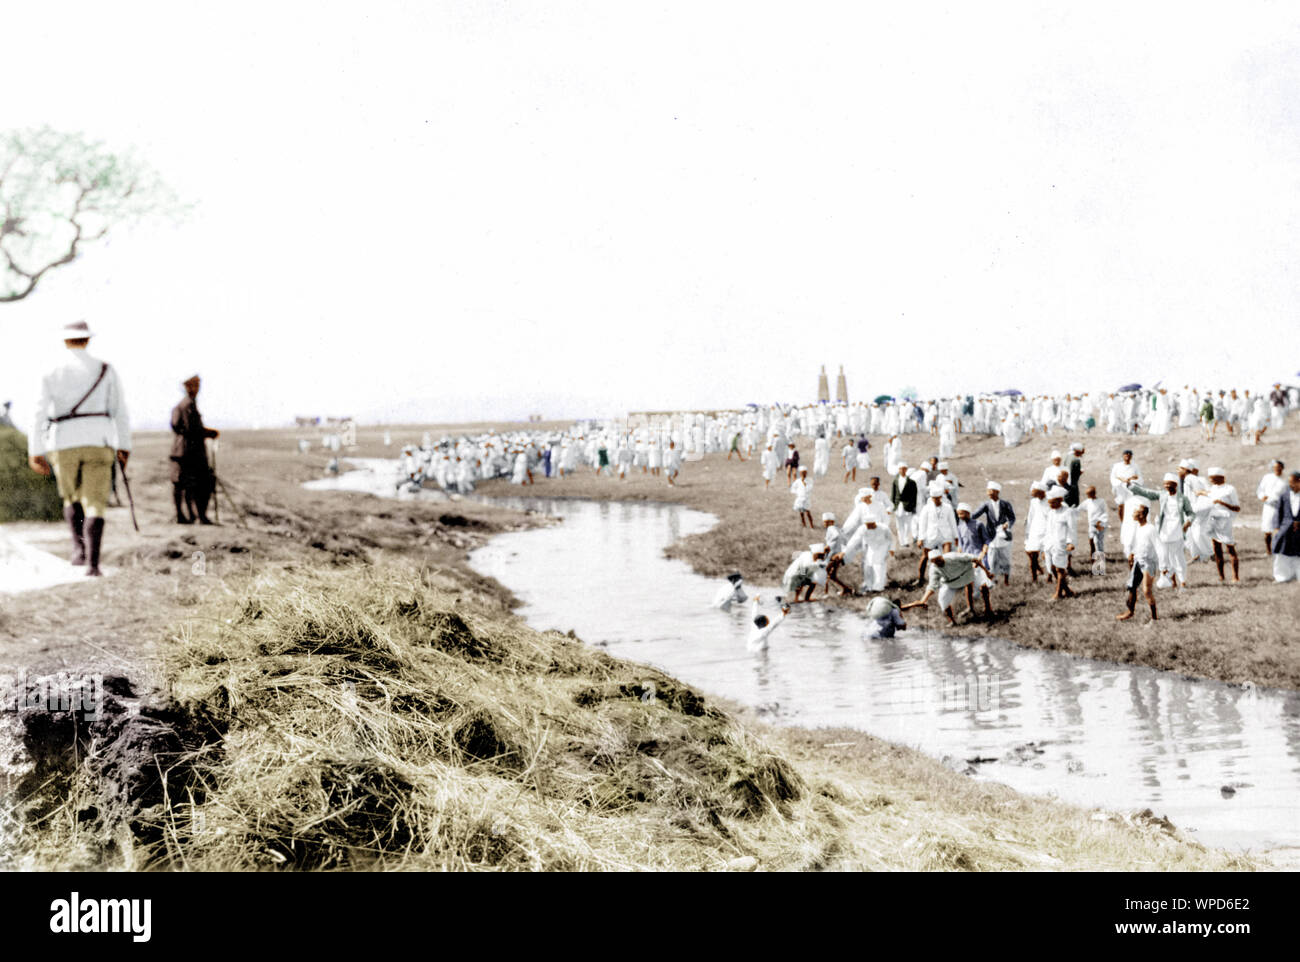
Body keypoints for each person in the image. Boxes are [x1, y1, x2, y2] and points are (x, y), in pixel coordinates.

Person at [27, 320, 132, 577]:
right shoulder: (106, 369)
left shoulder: (51, 370)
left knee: (71, 497)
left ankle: (78, 551)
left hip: (63, 442)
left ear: (65, 340)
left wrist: (35, 450)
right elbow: (121, 411)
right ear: (88, 339)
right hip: (100, 441)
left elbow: (38, 412)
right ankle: (93, 565)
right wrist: (124, 446)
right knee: (95, 503)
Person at [1126, 473, 1193, 589]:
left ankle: (1183, 582)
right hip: (1164, 532)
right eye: (1165, 484)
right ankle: (1172, 581)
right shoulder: (1163, 495)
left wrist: (1188, 522)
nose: (1166, 486)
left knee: (1178, 557)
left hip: (1177, 532)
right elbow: (1147, 493)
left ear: (1175, 485)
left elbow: (1191, 513)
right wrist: (1130, 486)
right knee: (1165, 557)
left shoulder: (1182, 498)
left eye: (1169, 484)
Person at [169, 375, 221, 524]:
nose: (197, 389)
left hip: (183, 451)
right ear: (187, 387)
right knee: (196, 483)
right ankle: (193, 516)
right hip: (189, 452)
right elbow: (192, 429)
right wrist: (210, 433)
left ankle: (190, 515)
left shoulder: (185, 404)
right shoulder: (187, 405)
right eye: (194, 386)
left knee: (186, 484)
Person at [901, 550, 993, 625]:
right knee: (943, 601)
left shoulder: (952, 557)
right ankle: (952, 622)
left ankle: (988, 611)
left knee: (984, 585)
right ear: (932, 562)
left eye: (939, 559)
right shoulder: (934, 569)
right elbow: (932, 586)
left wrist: (986, 572)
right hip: (951, 583)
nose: (938, 562)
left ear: (941, 556)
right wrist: (923, 600)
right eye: (935, 561)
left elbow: (974, 558)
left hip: (968, 574)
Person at [1117, 504, 1159, 623]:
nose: (1133, 514)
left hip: (1148, 563)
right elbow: (1140, 544)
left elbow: (1159, 546)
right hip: (1138, 561)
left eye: (1136, 512)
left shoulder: (1150, 529)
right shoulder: (1138, 527)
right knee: (1131, 586)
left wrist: (1164, 565)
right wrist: (1133, 553)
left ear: (1142, 515)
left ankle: (1154, 619)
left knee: (1147, 590)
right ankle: (1130, 611)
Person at [970, 482, 1015, 584]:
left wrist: (1007, 524)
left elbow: (1012, 518)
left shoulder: (1005, 504)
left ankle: (1006, 580)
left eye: (991, 491)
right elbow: (976, 514)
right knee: (991, 558)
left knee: (1005, 558)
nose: (989, 493)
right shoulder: (986, 505)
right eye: (988, 490)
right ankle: (991, 580)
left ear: (997, 492)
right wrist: (966, 518)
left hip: (1003, 535)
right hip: (991, 535)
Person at [1205, 467, 1241, 583]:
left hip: (1225, 522)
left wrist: (1222, 503)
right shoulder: (1212, 489)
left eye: (1212, 478)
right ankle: (1221, 577)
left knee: (1230, 547)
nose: (1210, 480)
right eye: (1210, 478)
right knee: (1217, 549)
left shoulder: (1230, 489)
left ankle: (1235, 577)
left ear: (1220, 477)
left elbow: (1237, 508)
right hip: (1213, 520)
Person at [1043, 487, 1076, 600]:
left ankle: (1058, 594)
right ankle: (1067, 590)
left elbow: (1072, 529)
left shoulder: (1067, 512)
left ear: (1059, 500)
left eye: (1053, 502)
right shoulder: (1051, 513)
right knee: (1052, 568)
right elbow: (1047, 530)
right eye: (1049, 503)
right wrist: (1044, 547)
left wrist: (1070, 542)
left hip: (1061, 544)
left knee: (1060, 568)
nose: (1050, 505)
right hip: (1049, 544)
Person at [1270, 471, 1300, 582]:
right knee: (1282, 554)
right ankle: (1281, 577)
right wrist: (1277, 528)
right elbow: (1278, 512)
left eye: (1292, 482)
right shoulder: (1285, 496)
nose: (1290, 485)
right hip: (1285, 530)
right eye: (1289, 482)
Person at [1257, 460, 1288, 557]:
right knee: (1267, 530)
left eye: (1279, 468)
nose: (1277, 470)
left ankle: (1280, 550)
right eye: (1275, 468)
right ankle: (1268, 550)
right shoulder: (1267, 478)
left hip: (1281, 507)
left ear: (1282, 468)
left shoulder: (1286, 479)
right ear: (1272, 468)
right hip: (1268, 506)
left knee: (1281, 529)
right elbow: (1260, 490)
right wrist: (1262, 496)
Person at [1023, 481, 1049, 583]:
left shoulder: (1049, 501)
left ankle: (1050, 576)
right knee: (1031, 554)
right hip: (1035, 530)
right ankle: (1034, 577)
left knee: (1047, 555)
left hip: (1047, 531)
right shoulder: (1033, 502)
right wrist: (1028, 532)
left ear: (1040, 491)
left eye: (1034, 491)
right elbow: (1030, 516)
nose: (1031, 493)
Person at [1082, 485, 1109, 575]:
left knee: (1098, 544)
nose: (1089, 496)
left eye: (1090, 494)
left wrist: (1100, 522)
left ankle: (1100, 568)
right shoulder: (1088, 502)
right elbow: (1079, 508)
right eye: (1088, 495)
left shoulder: (1101, 501)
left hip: (1099, 525)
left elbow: (1105, 513)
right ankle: (1093, 562)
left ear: (1094, 493)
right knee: (1091, 543)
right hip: (1092, 526)